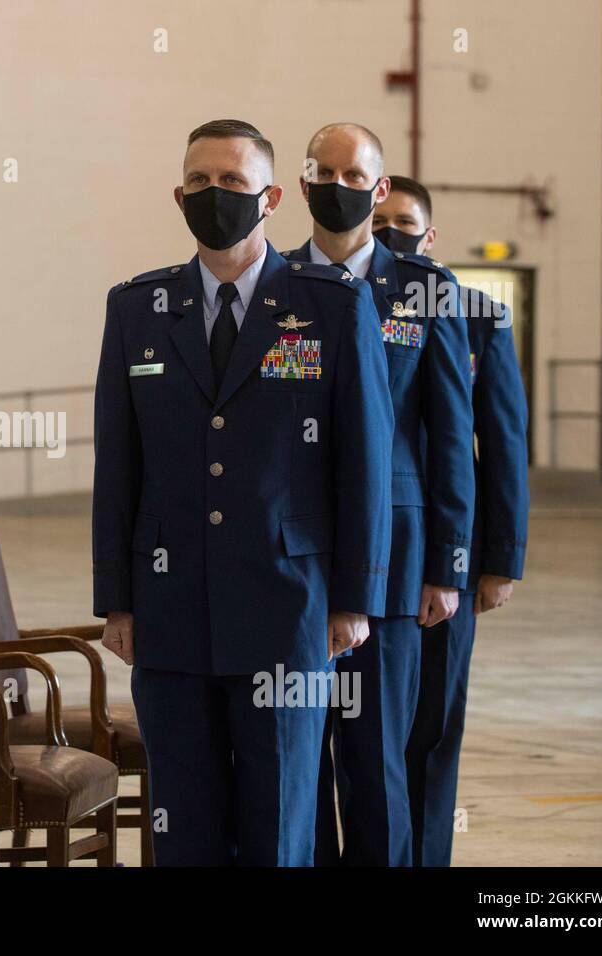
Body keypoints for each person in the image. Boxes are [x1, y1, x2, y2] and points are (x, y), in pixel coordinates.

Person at [92, 119, 393, 866]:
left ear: (271, 197)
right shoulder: (138, 309)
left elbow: (365, 461)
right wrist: (118, 599)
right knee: (182, 825)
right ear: (178, 195)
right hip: (171, 615)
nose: (214, 194)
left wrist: (355, 599)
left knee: (280, 823)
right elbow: (117, 466)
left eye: (232, 182)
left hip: (290, 611)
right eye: (199, 181)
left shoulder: (332, 305)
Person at [287, 125, 475, 867]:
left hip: (396, 568)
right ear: (302, 184)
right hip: (291, 562)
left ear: (381, 187)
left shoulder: (427, 290)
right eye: (324, 171)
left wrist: (449, 567)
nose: (339, 184)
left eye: (354, 172)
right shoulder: (272, 281)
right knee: (300, 765)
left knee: (377, 766)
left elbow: (452, 435)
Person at [375, 176, 530, 866]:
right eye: (378, 221)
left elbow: (501, 446)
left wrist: (498, 560)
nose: (389, 234)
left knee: (430, 727)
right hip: (348, 557)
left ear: (429, 237)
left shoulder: (476, 315)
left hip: (443, 559)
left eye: (403, 222)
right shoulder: (317, 303)